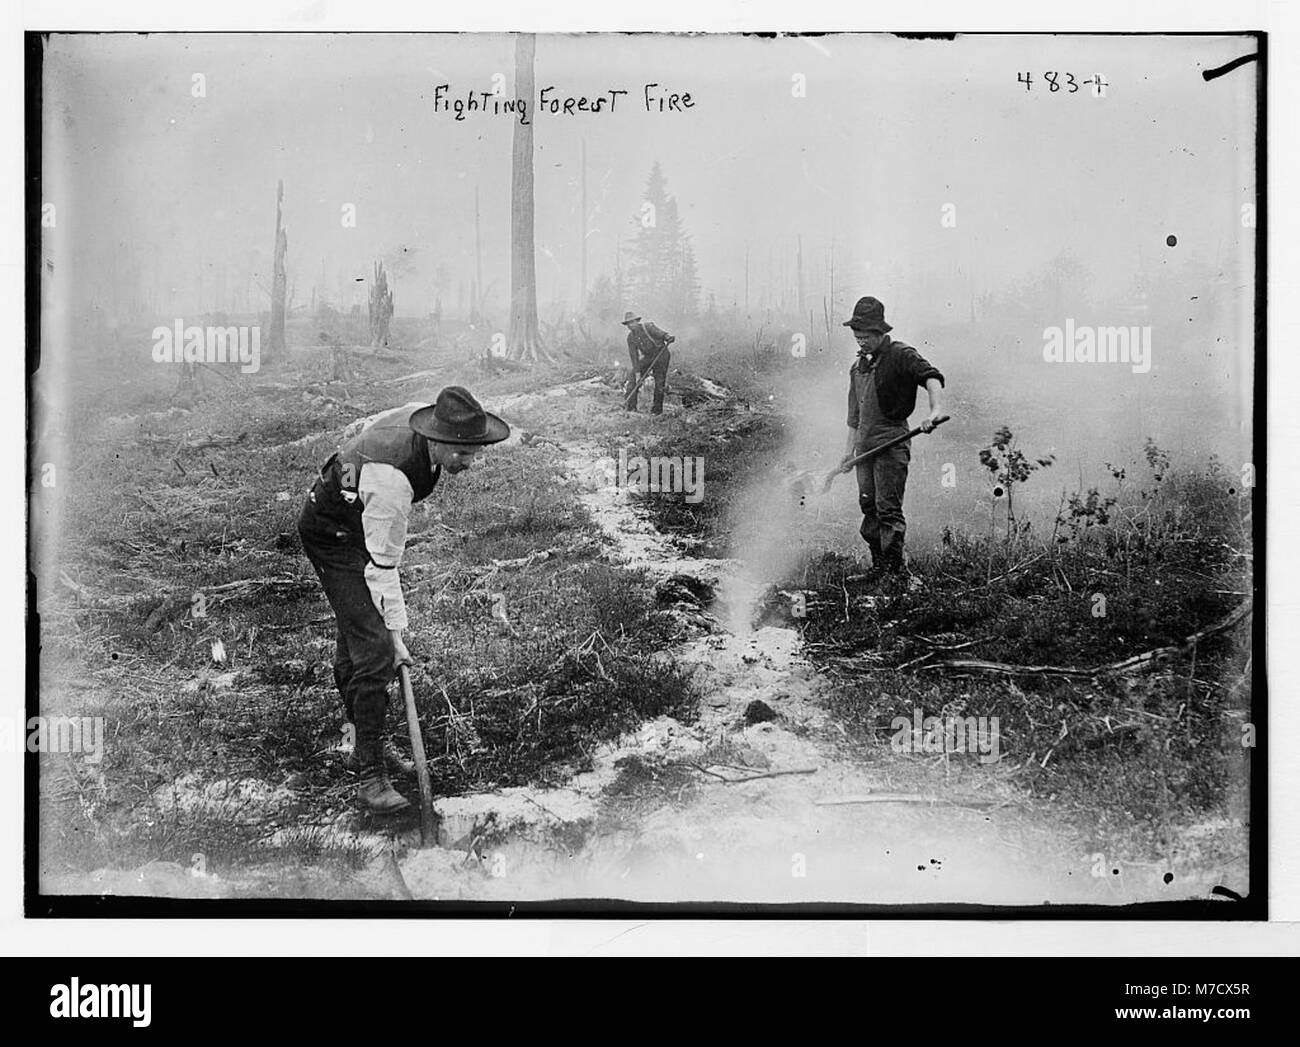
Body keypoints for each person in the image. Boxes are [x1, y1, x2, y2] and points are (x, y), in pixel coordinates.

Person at [297, 387, 510, 813]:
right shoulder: (392, 479)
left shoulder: (424, 427)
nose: (471, 462)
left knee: (357, 645)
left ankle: (362, 745)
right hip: (332, 536)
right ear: (437, 439)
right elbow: (383, 569)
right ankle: (370, 779)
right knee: (375, 651)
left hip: (359, 523)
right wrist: (396, 636)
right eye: (463, 453)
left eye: (475, 451)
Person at [838, 296, 946, 581]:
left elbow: (931, 377)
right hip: (864, 448)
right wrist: (848, 453)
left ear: (881, 332)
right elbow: (854, 417)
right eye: (857, 336)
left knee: (888, 509)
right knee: (869, 506)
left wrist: (935, 411)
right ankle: (879, 569)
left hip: (891, 444)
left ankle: (897, 575)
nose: (861, 342)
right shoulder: (857, 367)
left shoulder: (901, 354)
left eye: (867, 337)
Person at [621, 310, 675, 414]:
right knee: (632, 377)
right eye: (628, 324)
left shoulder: (648, 327)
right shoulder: (630, 338)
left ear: (637, 321)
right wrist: (637, 373)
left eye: (632, 322)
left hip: (661, 355)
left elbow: (661, 334)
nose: (630, 325)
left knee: (659, 382)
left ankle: (657, 411)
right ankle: (631, 408)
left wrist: (668, 337)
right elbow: (634, 356)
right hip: (648, 357)